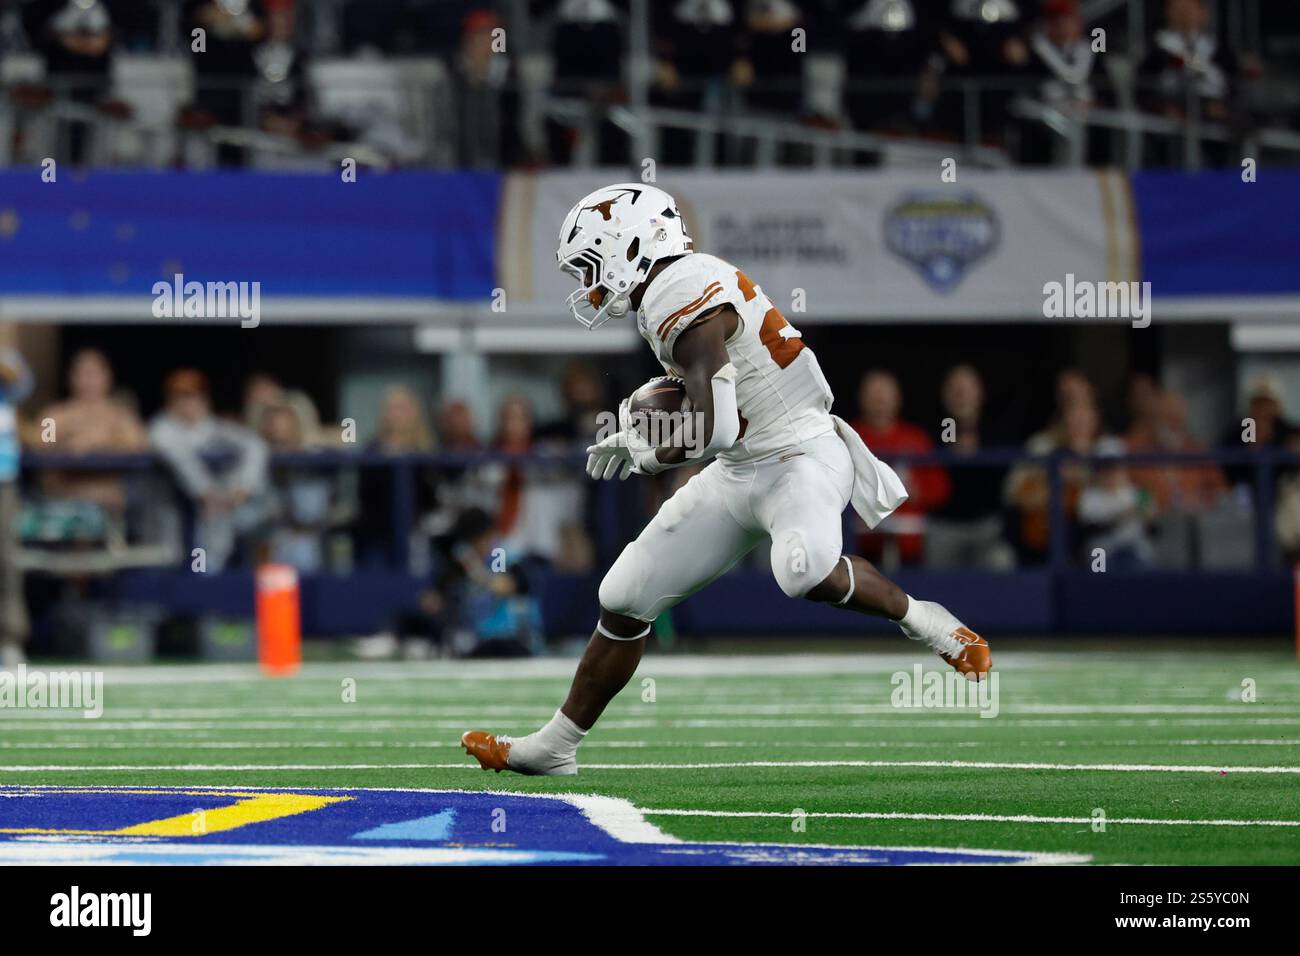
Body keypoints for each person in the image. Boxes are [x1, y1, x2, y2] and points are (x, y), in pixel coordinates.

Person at [463, 182, 990, 776]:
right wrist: (641, 426)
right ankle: (555, 745)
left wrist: (647, 454)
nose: (588, 287)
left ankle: (928, 622)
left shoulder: (678, 291)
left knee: (803, 571)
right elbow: (711, 413)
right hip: (743, 466)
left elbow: (709, 430)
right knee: (624, 594)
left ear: (628, 245)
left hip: (800, 454)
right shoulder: (670, 290)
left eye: (590, 265)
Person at [148, 368, 269, 571]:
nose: (189, 402)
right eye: (182, 396)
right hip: (169, 521)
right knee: (172, 578)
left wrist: (245, 486)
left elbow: (256, 445)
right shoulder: (161, 428)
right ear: (170, 400)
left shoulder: (214, 427)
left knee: (210, 570)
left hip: (213, 519)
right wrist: (205, 490)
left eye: (194, 395)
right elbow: (180, 456)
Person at [851, 369, 950, 565]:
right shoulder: (848, 436)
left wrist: (916, 492)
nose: (879, 402)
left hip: (911, 543)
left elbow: (941, 489)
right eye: (873, 396)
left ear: (898, 400)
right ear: (861, 399)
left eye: (885, 396)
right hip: (859, 543)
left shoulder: (916, 438)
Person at [0, 346, 32, 669]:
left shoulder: (7, 357)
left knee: (6, 558)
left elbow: (22, 384)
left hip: (2, 476)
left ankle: (9, 640)